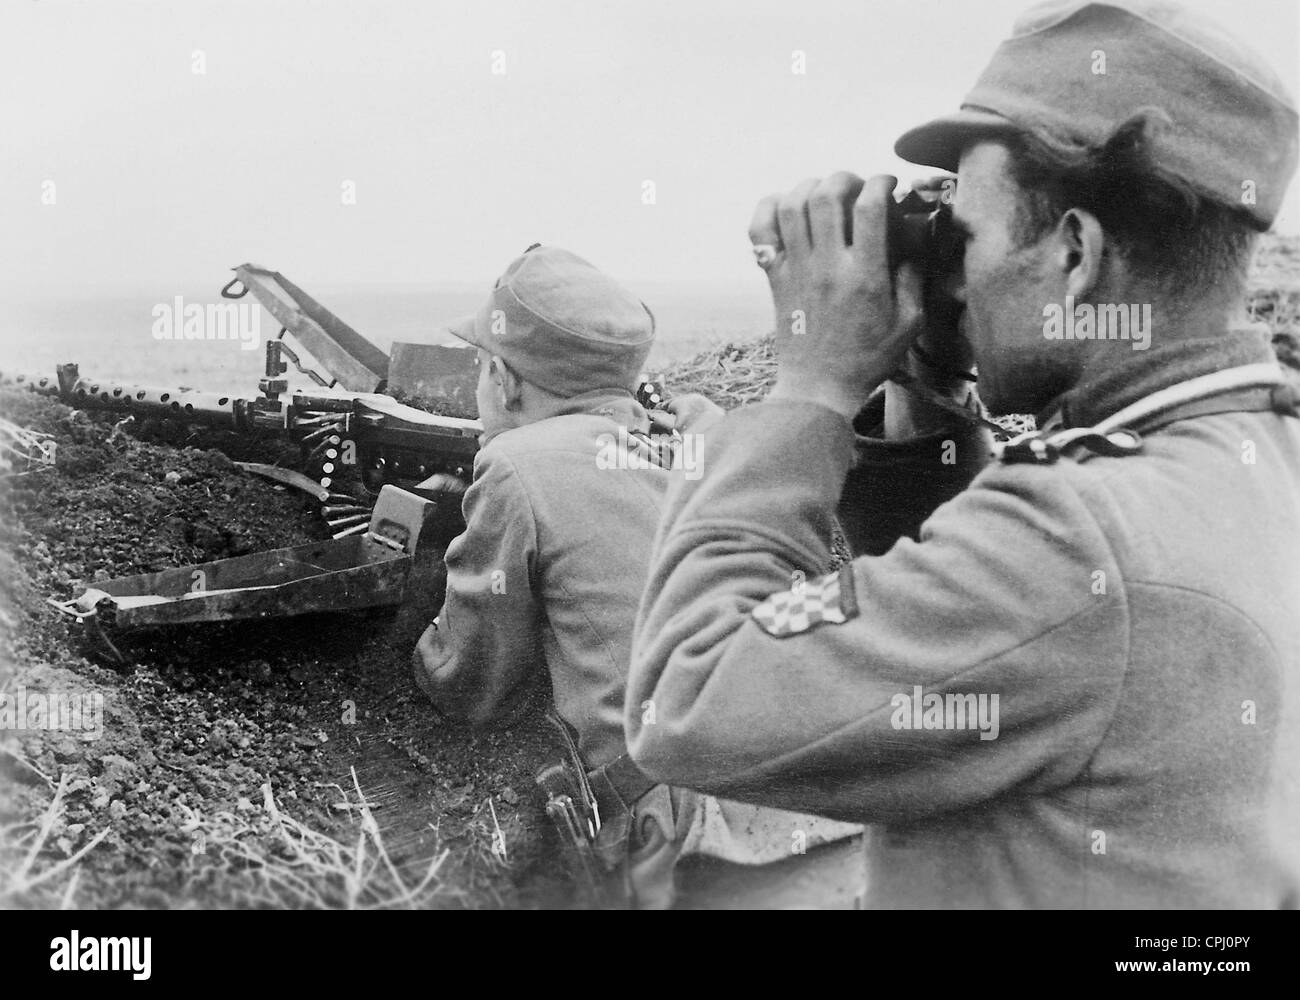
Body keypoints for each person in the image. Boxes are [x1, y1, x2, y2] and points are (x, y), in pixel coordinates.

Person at [625, 0, 1300, 908]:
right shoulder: (1251, 450)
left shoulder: (1079, 538)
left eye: (968, 236)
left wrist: (812, 389)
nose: (956, 273)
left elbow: (687, 701)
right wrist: (929, 389)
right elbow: (974, 627)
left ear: (1074, 255)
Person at [413, 244, 859, 908]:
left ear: (504, 381)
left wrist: (414, 634)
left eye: (482, 365)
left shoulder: (517, 465)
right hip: (837, 796)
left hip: (698, 846)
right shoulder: (714, 443)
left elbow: (475, 686)